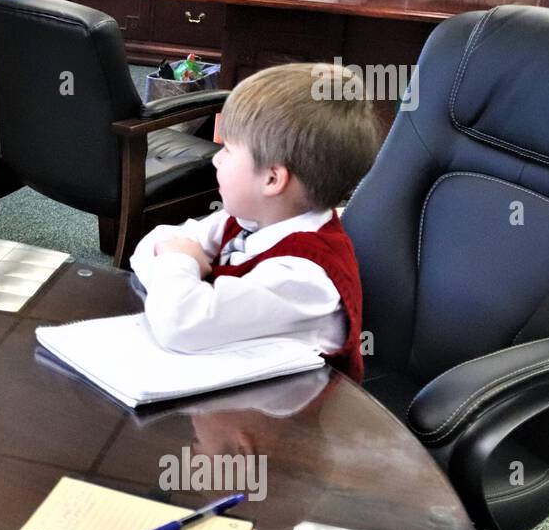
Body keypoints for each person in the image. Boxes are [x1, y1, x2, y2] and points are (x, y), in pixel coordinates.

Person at [130, 63, 381, 382]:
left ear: (273, 179)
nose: (215, 159)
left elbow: (178, 324)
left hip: (297, 422)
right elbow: (150, 247)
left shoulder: (304, 278)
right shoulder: (248, 219)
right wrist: (178, 270)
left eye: (228, 150)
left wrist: (180, 263)